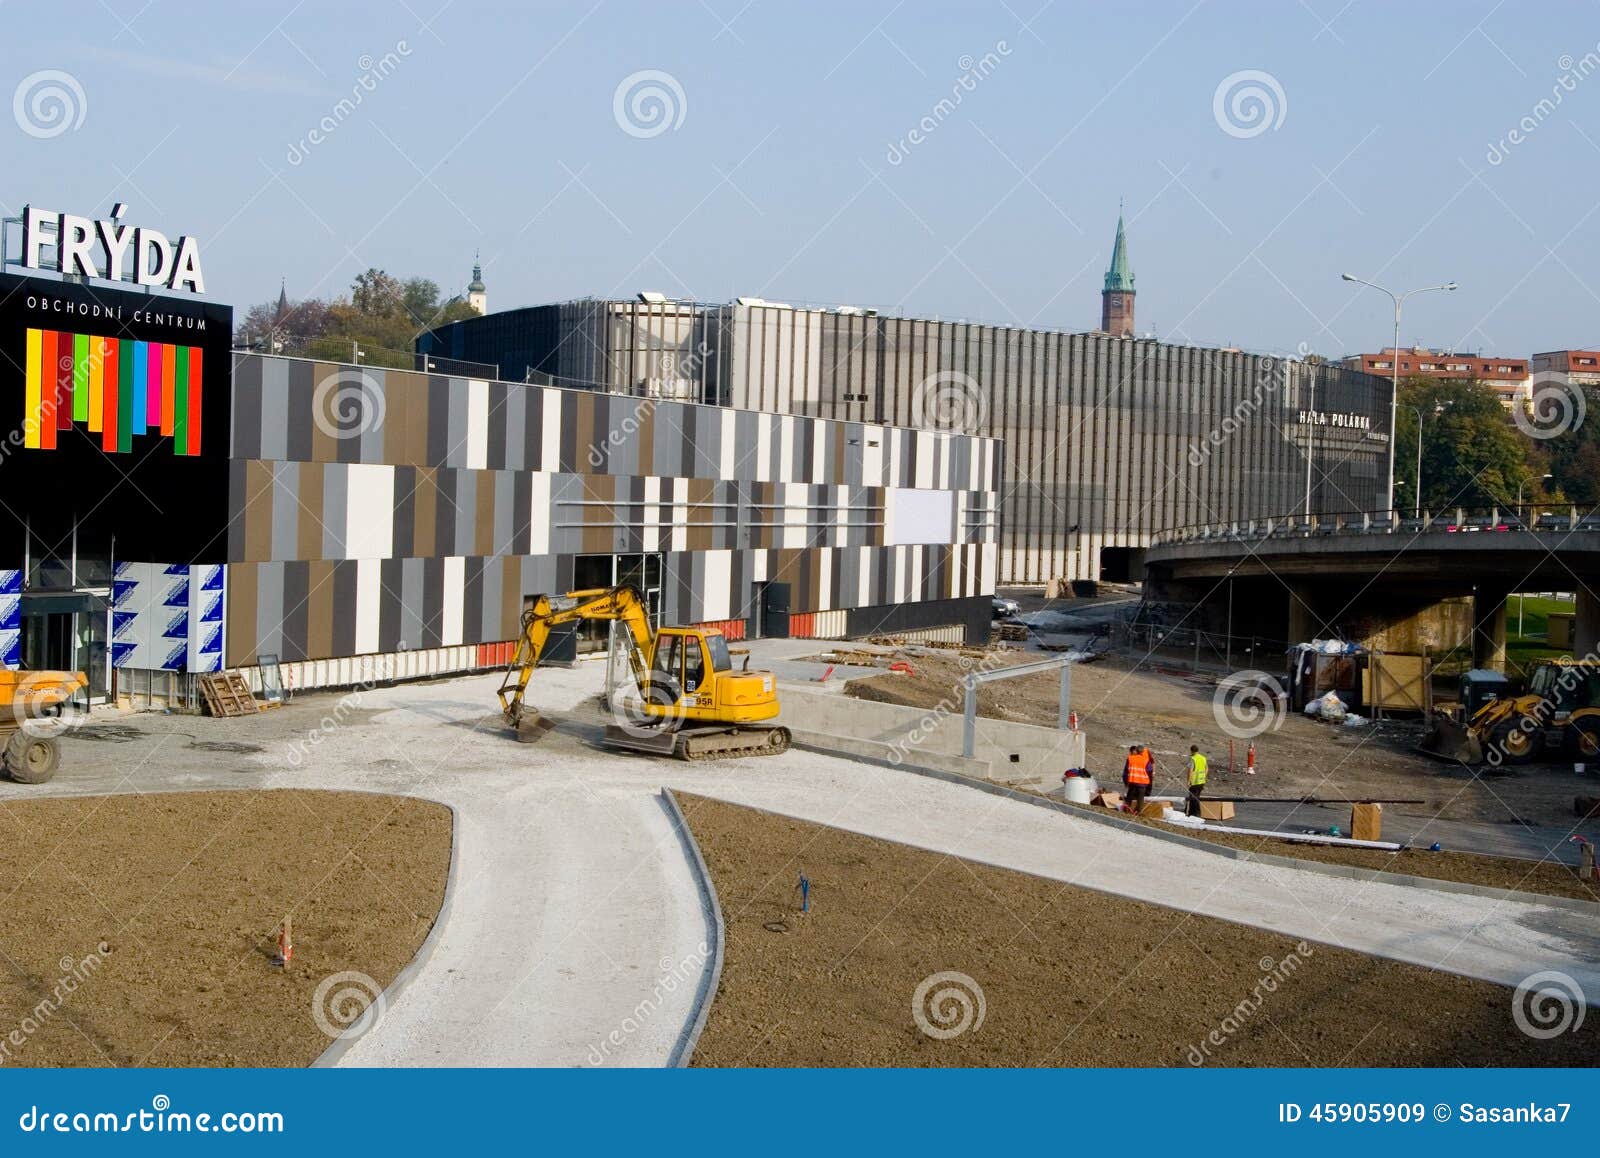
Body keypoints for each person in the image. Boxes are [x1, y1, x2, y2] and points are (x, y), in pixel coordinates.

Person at [1122, 743, 1152, 813]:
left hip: (1132, 781)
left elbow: (1126, 771)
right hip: (1142, 783)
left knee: (1129, 797)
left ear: (1136, 750)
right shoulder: (1146, 760)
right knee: (1140, 799)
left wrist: (1126, 782)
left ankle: (1126, 811)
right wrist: (1149, 782)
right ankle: (1139, 813)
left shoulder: (1130, 758)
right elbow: (1149, 771)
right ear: (1142, 751)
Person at [1186, 744, 1208, 816]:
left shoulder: (1193, 759)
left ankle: (1195, 813)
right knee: (1196, 797)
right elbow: (1207, 768)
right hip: (1201, 781)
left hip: (1194, 782)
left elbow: (1190, 771)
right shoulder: (1203, 758)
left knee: (1193, 798)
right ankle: (1192, 812)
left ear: (1191, 751)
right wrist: (1204, 776)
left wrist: (1188, 781)